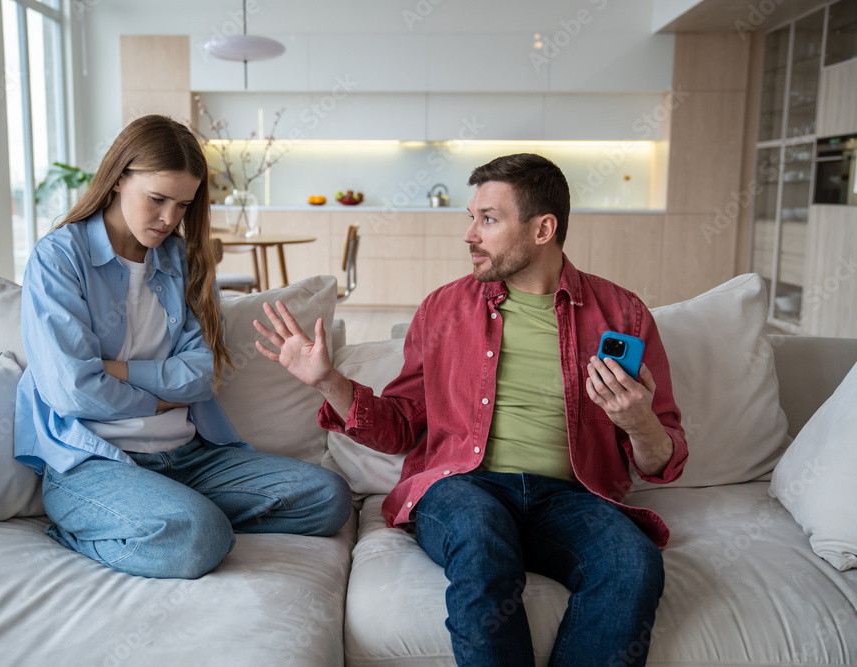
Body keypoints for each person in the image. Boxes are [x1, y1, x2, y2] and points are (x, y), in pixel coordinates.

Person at [254, 153, 688, 666]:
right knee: (483, 544)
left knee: (632, 563)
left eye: (488, 219)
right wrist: (328, 380)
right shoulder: (443, 309)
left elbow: (662, 459)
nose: (469, 235)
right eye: (470, 217)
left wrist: (638, 423)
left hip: (573, 496)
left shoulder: (623, 314)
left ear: (543, 228)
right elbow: (401, 426)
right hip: (465, 486)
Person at [13, 115, 351, 580]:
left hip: (190, 457)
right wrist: (161, 393)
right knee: (199, 536)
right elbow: (73, 391)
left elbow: (200, 376)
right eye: (156, 199)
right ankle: (122, 524)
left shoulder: (182, 259)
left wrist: (117, 370)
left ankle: (168, 513)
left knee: (330, 497)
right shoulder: (59, 258)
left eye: (183, 204)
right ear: (116, 180)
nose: (170, 218)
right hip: (97, 461)